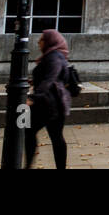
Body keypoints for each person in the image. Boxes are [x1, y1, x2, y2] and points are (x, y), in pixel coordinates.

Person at [25, 29, 74, 169]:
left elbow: (50, 79)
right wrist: (33, 82)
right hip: (52, 101)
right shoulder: (53, 56)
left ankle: (28, 165)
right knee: (55, 136)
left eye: (41, 39)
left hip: (50, 103)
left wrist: (33, 98)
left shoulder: (54, 57)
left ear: (49, 41)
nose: (38, 42)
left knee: (29, 130)